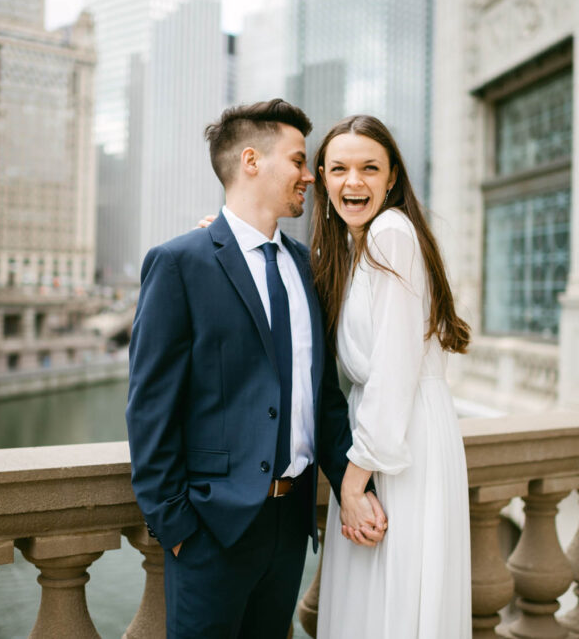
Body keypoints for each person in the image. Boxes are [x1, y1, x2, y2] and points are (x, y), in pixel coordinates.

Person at [125, 99, 387, 639]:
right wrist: (177, 529)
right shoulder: (179, 263)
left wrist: (351, 489)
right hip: (209, 531)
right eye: (298, 160)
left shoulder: (308, 268)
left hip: (292, 528)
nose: (310, 177)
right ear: (251, 161)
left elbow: (326, 400)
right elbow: (150, 409)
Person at [311, 115, 472, 638]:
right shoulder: (353, 249)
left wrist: (352, 486)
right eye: (339, 168)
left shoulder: (391, 233)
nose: (353, 182)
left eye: (368, 168)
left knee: (394, 602)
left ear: (393, 177)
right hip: (381, 435)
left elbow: (394, 373)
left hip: (400, 440)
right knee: (379, 603)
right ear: (321, 177)